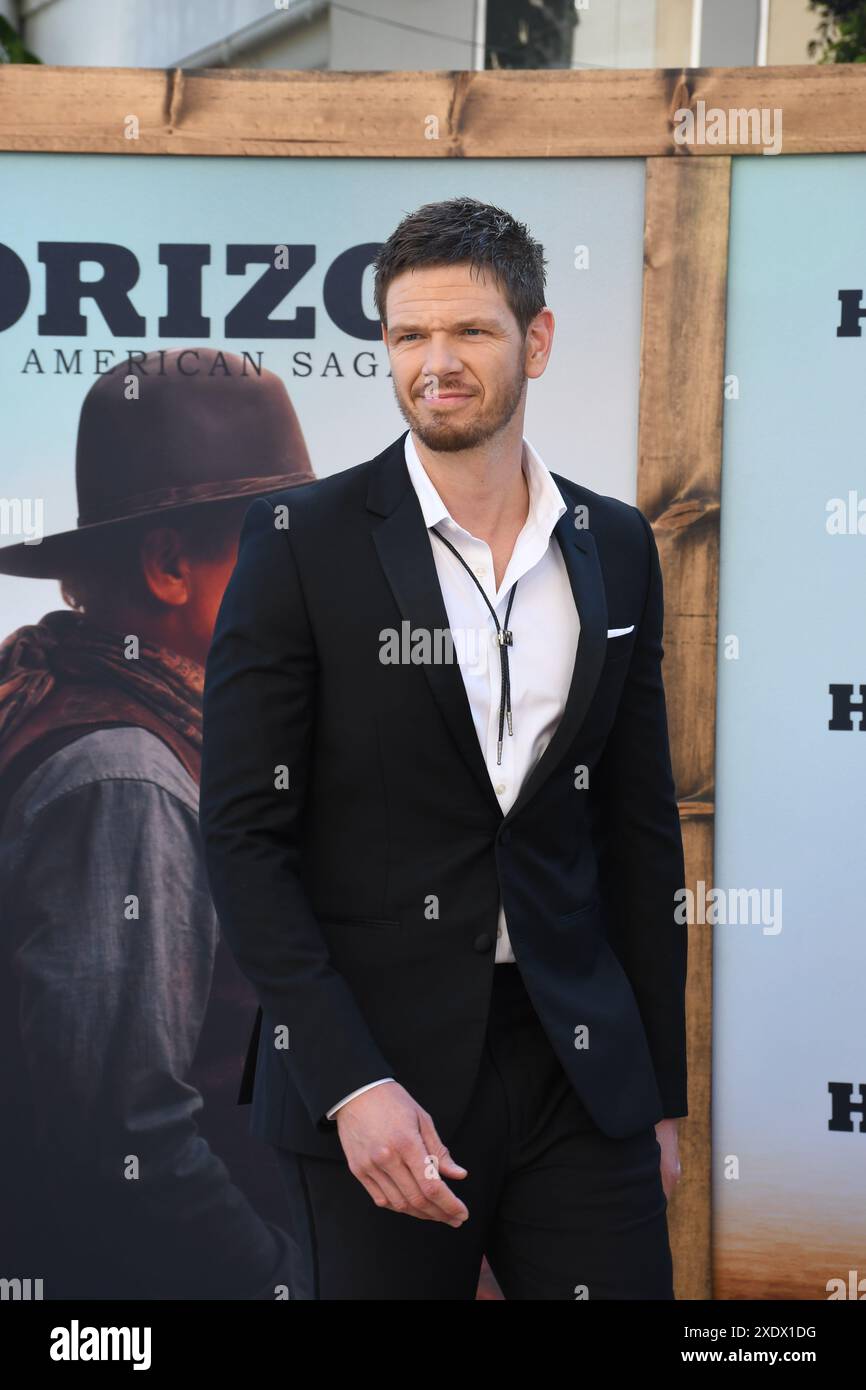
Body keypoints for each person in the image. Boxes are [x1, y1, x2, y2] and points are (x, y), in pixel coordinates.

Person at [199, 197, 688, 1300]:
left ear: (538, 340)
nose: (436, 364)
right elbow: (240, 832)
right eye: (407, 336)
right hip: (379, 1069)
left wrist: (655, 1091)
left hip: (577, 1065)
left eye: (469, 332)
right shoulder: (298, 543)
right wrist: (348, 1081)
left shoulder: (612, 544)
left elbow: (638, 828)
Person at [0, 348, 316, 1298]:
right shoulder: (126, 775)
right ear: (171, 566)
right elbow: (122, 1144)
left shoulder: (84, 696)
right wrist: (285, 1286)